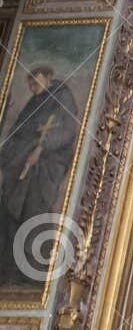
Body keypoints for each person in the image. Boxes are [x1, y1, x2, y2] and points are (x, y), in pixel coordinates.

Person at [0, 66, 81, 288]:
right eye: (30, 84)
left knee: (33, 215)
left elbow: (66, 130)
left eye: (36, 83)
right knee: (9, 212)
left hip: (43, 168)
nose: (32, 88)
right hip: (22, 167)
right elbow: (19, 131)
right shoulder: (35, 101)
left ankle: (31, 275)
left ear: (48, 78)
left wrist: (42, 148)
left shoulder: (61, 96)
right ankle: (9, 271)